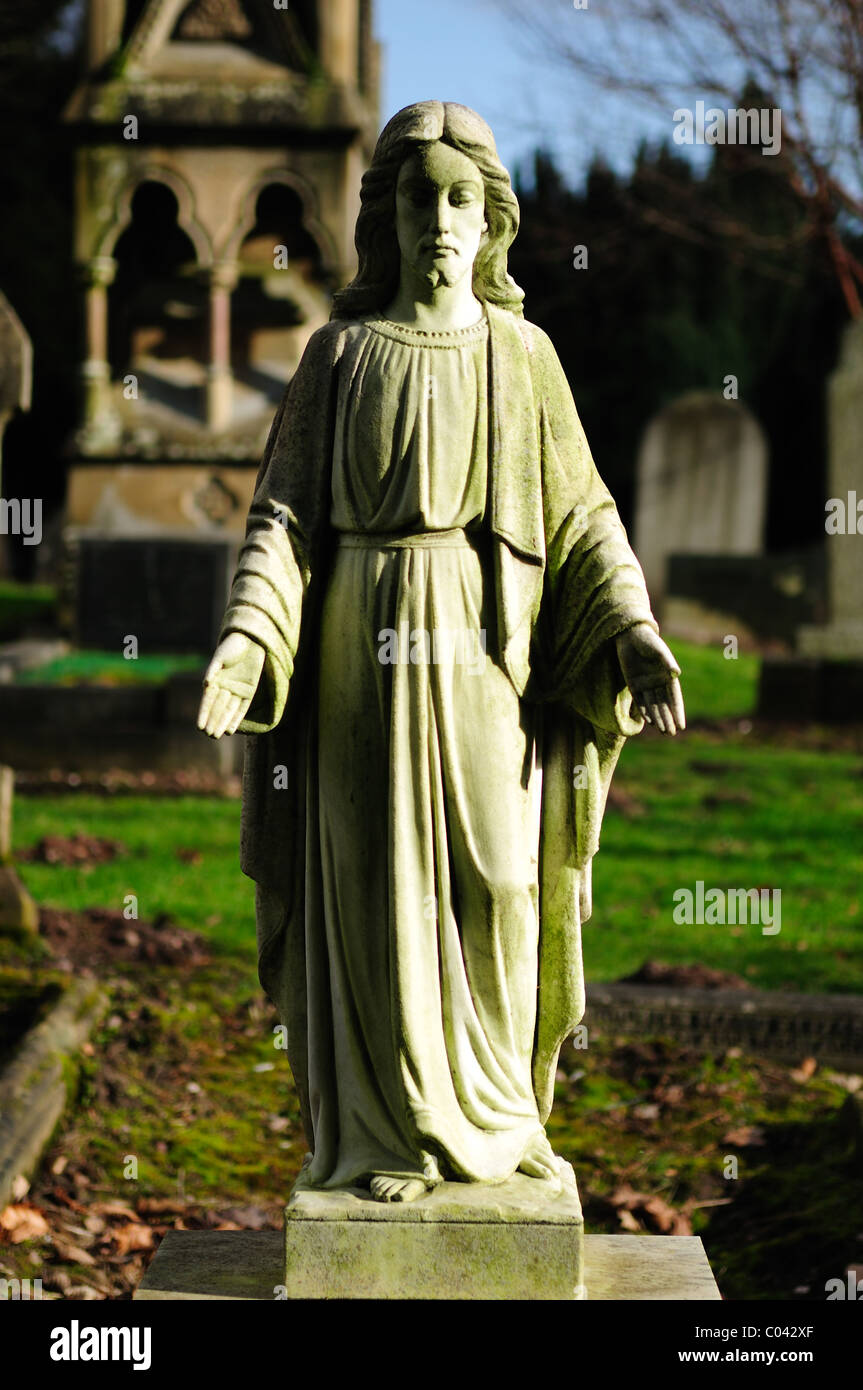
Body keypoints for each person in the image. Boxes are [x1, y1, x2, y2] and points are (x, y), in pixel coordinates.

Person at [198, 101, 685, 1204]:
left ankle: (497, 1120)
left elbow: (582, 518)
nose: (440, 218)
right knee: (370, 888)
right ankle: (386, 1139)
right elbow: (280, 519)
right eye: (418, 195)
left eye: (461, 197)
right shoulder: (339, 355)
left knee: (503, 881)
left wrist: (633, 629)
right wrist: (248, 635)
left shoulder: (522, 356)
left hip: (480, 649)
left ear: (491, 219)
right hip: (354, 647)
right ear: (387, 215)